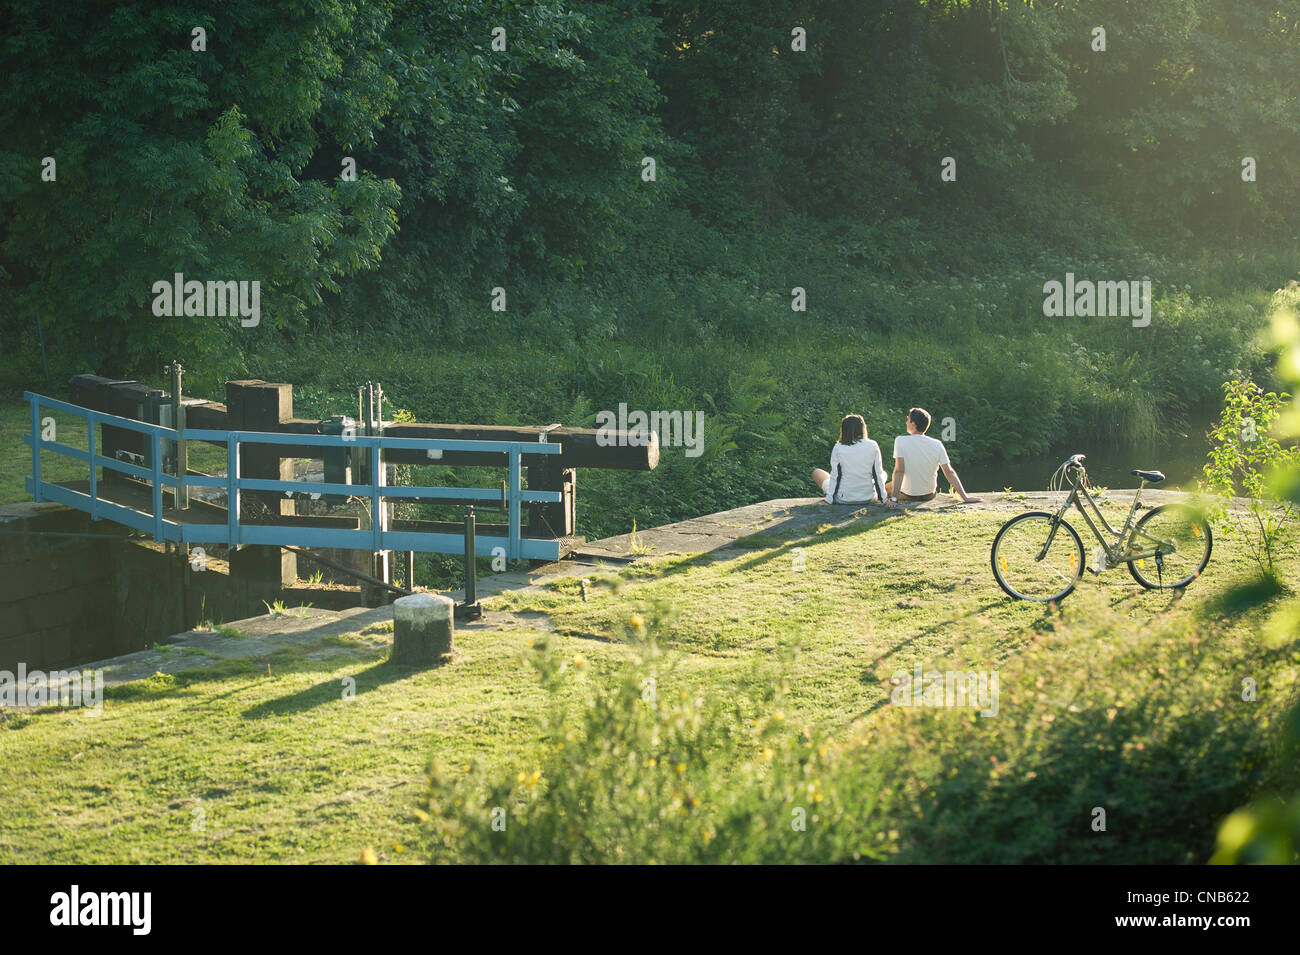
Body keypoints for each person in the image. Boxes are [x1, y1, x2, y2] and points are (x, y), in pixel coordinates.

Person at [885, 407, 982, 504]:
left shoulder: (901, 440)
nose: (906, 422)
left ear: (913, 423)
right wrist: (965, 497)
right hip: (929, 495)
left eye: (908, 420)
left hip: (908, 495)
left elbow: (899, 471)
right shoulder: (937, 444)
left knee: (885, 488)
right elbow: (949, 472)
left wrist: (894, 499)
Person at [811, 414, 896, 507]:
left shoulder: (838, 447)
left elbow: (836, 475)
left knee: (817, 472)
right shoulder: (873, 445)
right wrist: (884, 499)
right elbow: (877, 474)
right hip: (868, 497)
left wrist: (828, 500)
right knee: (883, 474)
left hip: (843, 498)